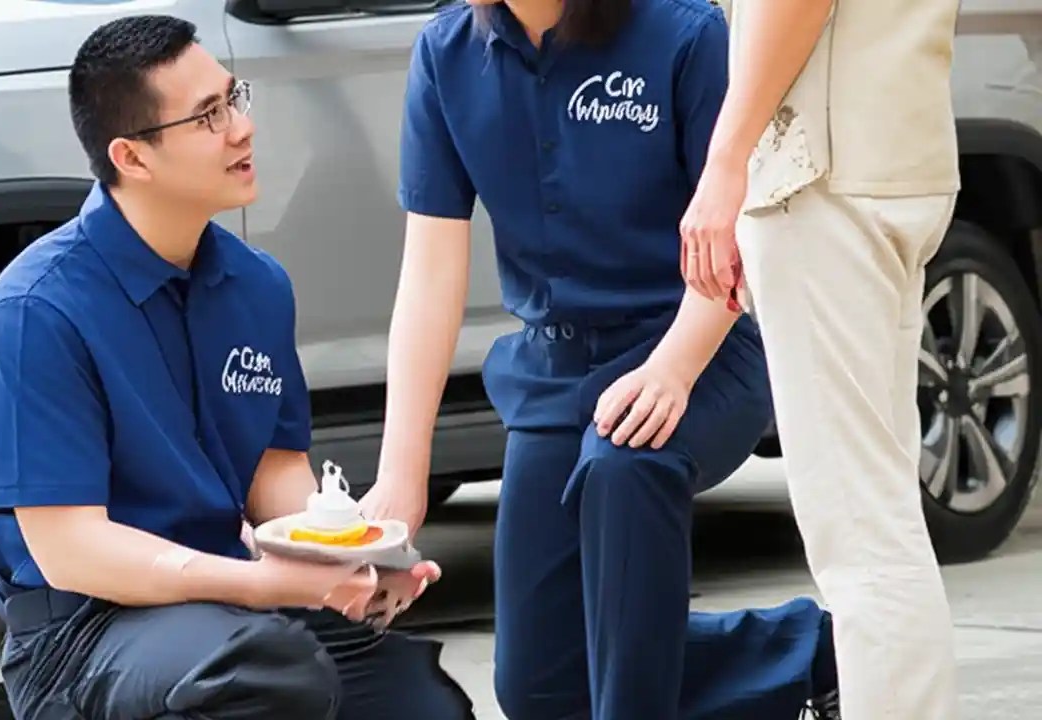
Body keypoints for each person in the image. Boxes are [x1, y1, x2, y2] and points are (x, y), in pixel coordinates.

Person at [0, 15, 473, 720]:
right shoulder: (35, 311)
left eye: (234, 99)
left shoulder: (257, 286)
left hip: (228, 609)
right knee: (267, 672)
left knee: (420, 703)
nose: (242, 128)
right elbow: (71, 552)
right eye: (208, 116)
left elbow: (275, 476)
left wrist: (358, 558)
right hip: (84, 634)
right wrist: (265, 585)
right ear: (132, 157)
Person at [358, 0, 839, 717]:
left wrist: (673, 368)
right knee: (541, 684)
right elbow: (429, 276)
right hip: (554, 372)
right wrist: (402, 476)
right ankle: (811, 652)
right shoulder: (445, 54)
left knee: (625, 464)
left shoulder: (684, 32)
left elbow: (737, 227)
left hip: (699, 341)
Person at [679, 0, 963, 718]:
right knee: (882, 523)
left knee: (862, 539)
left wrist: (727, 162)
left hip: (819, 173)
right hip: (896, 155)